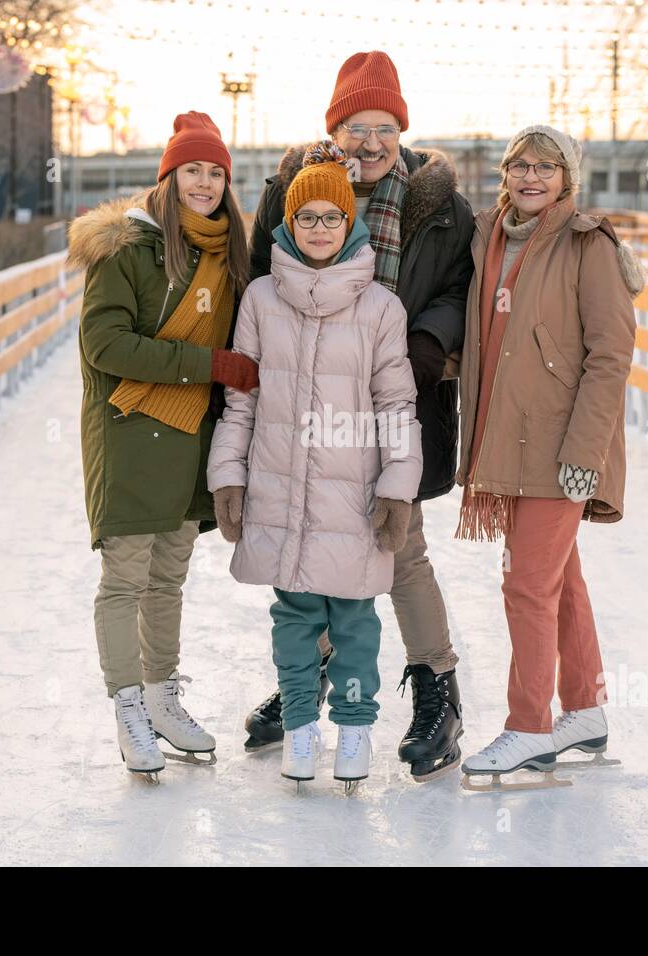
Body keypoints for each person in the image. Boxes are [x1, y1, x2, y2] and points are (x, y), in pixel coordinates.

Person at [242, 51, 474, 781]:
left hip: (394, 398)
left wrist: (425, 342)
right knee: (310, 541)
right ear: (333, 129)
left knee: (397, 545)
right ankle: (304, 686)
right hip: (307, 400)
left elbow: (461, 285)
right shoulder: (293, 187)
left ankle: (438, 692)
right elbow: (259, 275)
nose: (368, 142)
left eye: (382, 127)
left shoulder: (440, 205)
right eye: (353, 127)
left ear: (400, 130)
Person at [208, 143, 423, 790]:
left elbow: (397, 404)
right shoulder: (261, 301)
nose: (321, 227)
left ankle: (355, 729)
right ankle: (301, 728)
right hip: (279, 487)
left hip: (353, 495)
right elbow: (240, 399)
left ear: (351, 223)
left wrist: (397, 488)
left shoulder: (381, 309)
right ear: (289, 225)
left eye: (334, 216)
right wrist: (230, 475)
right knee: (295, 620)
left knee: (355, 621)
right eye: (309, 217)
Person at [67, 111, 257, 781]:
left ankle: (161, 696)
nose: (203, 183)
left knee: (168, 578)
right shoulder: (125, 248)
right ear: (168, 176)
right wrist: (206, 367)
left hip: (190, 435)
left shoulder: (229, 251)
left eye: (214, 172)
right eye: (191, 170)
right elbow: (105, 345)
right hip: (128, 429)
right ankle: (128, 710)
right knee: (124, 578)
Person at [453, 124, 644, 788]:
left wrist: (585, 452)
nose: (530, 177)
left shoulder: (588, 245)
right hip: (509, 434)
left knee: (527, 586)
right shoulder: (491, 236)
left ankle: (529, 725)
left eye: (545, 167)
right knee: (560, 582)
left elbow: (611, 355)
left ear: (567, 177)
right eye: (519, 166)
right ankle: (585, 710)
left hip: (560, 444)